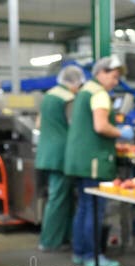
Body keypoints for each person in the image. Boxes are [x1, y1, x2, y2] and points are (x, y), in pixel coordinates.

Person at [64, 55, 134, 266]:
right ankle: (92, 255)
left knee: (84, 207)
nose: (115, 82)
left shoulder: (84, 91)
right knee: (95, 208)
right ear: (100, 73)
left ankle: (80, 252)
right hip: (94, 160)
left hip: (79, 159)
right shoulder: (100, 94)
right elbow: (101, 126)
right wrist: (121, 132)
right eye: (113, 77)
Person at [36, 64, 86, 251]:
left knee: (60, 196)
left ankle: (62, 238)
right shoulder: (69, 99)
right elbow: (77, 127)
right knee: (58, 197)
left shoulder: (49, 95)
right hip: (62, 153)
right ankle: (49, 241)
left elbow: (39, 123)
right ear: (76, 82)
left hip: (47, 152)